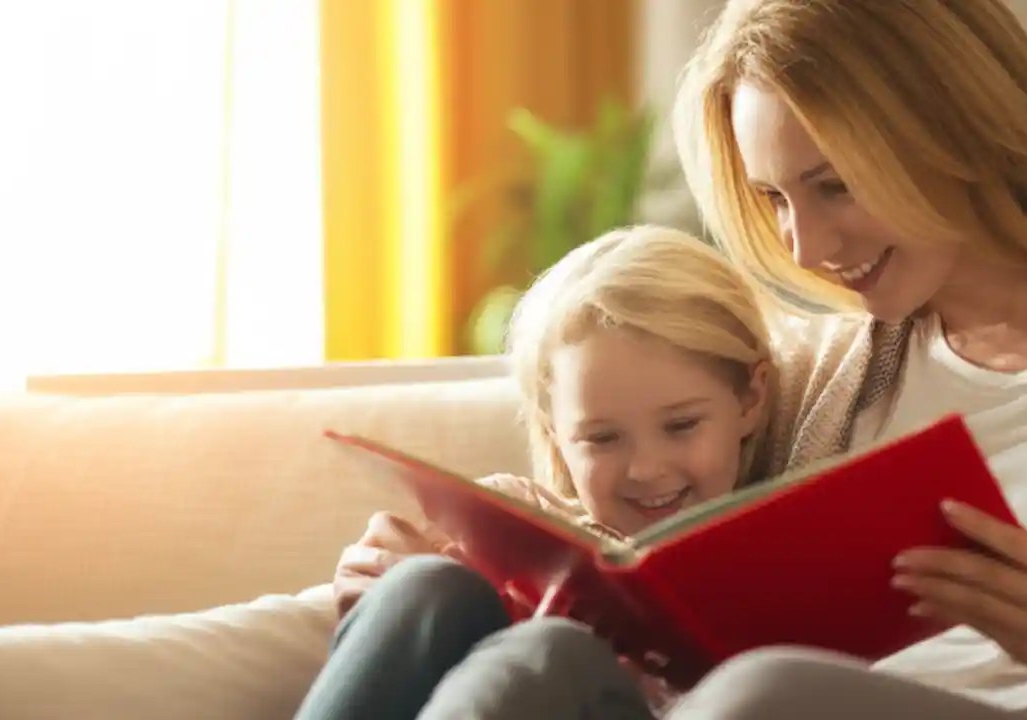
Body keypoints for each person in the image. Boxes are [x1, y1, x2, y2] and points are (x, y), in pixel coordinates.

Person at [407, 0, 1027, 718]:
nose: (804, 247)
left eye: (835, 185)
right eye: (774, 197)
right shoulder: (814, 373)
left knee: (761, 692)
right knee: (536, 661)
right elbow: (645, 545)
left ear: (961, 128)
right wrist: (446, 553)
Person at [293, 225, 775, 719]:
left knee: (556, 651)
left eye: (681, 425)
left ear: (750, 400)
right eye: (602, 438)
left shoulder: (779, 562)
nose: (646, 468)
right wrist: (379, 583)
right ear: (556, 430)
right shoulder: (505, 520)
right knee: (428, 584)